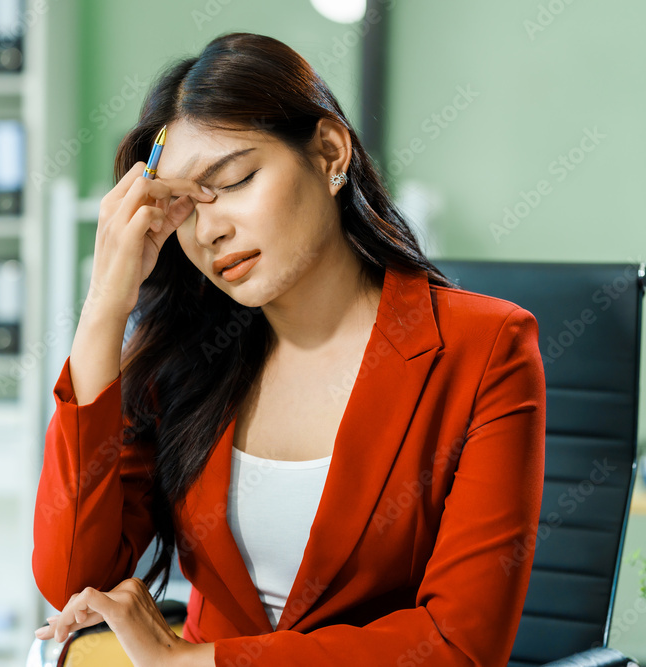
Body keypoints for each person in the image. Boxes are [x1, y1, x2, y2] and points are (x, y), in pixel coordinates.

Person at [31, 31, 545, 667]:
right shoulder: (188, 358)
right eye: (184, 210)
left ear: (330, 152)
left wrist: (196, 662)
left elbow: (458, 646)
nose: (212, 228)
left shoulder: (486, 347)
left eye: (237, 179)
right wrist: (105, 307)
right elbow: (73, 575)